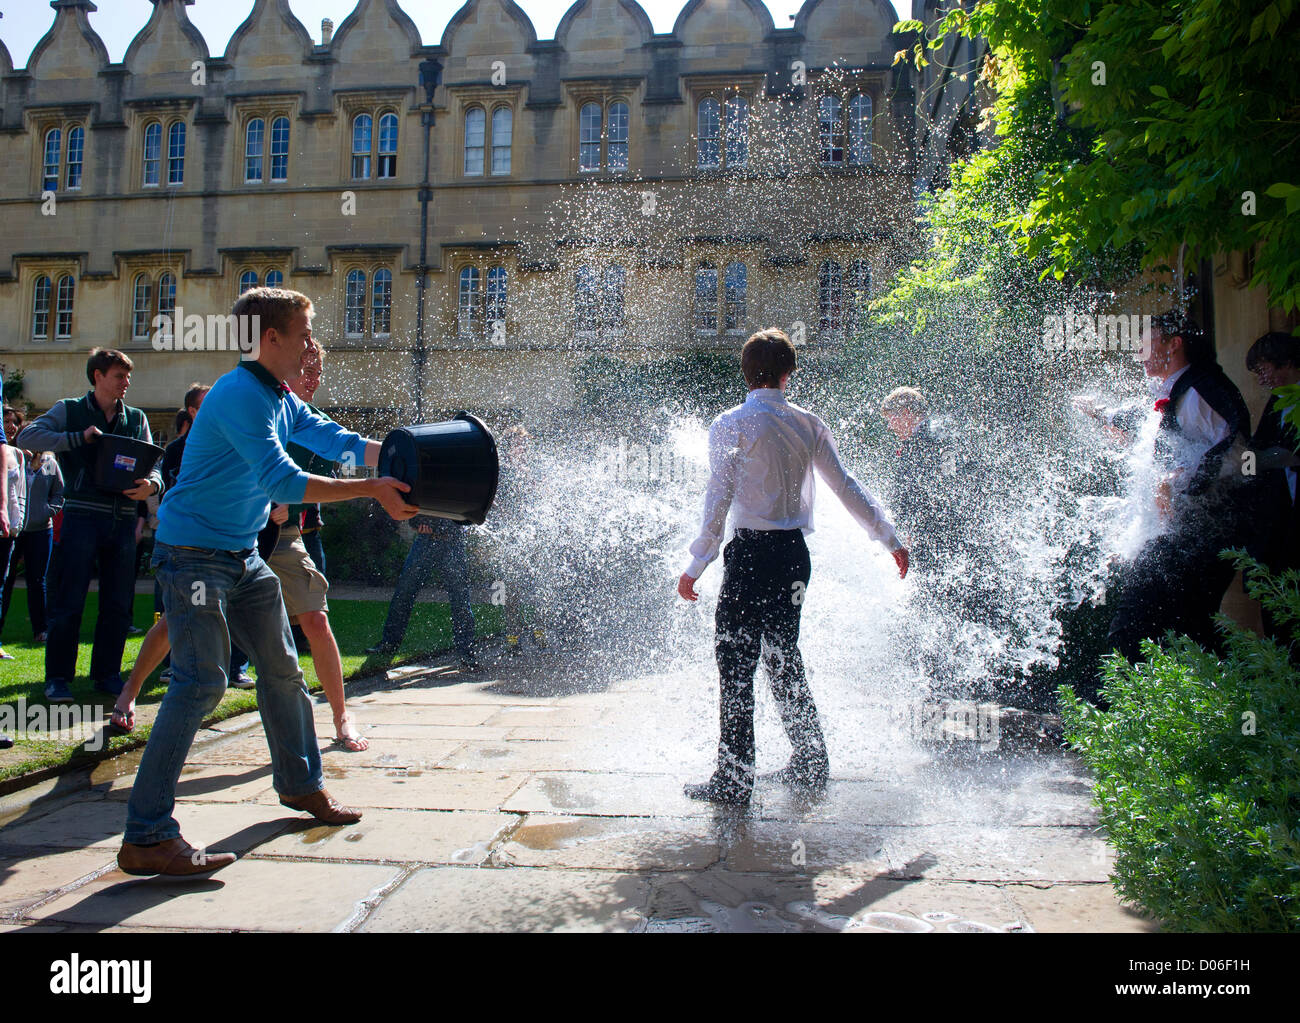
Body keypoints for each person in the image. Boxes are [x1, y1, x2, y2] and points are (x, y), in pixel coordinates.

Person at [118, 287, 418, 878]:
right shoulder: (237, 395)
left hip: (241, 554)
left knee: (282, 671)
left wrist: (411, 458)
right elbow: (281, 480)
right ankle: (146, 835)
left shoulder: (278, 395)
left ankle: (301, 785)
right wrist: (371, 489)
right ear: (271, 338)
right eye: (304, 334)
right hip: (192, 556)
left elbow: (337, 441)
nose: (311, 346)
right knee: (200, 682)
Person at [677, 328, 909, 804]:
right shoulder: (809, 424)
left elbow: (718, 497)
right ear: (788, 374)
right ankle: (810, 758)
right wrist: (888, 537)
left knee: (735, 660)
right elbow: (845, 486)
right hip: (792, 559)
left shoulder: (731, 423)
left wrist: (697, 562)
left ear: (745, 374)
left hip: (749, 554)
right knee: (783, 655)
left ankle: (734, 777)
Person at [1074, 312, 1251, 703]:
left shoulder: (1202, 387)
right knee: (1189, 628)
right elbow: (1146, 427)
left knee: (1137, 618)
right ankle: (1221, 711)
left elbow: (1242, 454)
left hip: (1201, 535)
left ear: (1174, 343)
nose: (1138, 353)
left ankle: (1107, 712)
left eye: (1146, 342)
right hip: (1180, 533)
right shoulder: (1175, 390)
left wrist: (1177, 479)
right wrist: (1100, 415)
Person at [17, 349, 162, 703]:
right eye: (119, 376)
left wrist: (152, 486)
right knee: (68, 601)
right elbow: (27, 437)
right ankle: (58, 679)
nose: (126, 382)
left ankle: (107, 675)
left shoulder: (137, 417)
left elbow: (153, 463)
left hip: (122, 520)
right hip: (81, 516)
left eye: (128, 376)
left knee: (118, 604)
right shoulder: (69, 409)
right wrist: (76, 438)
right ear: (98, 376)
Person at [264, 339, 368, 751]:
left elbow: (335, 473)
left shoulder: (316, 423)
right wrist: (266, 501)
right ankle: (129, 694)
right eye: (306, 371)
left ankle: (342, 718)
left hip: (288, 537)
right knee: (186, 619)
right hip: (235, 532)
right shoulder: (261, 409)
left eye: (318, 373)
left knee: (316, 620)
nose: (313, 380)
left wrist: (395, 469)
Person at [1243, 331, 1300, 643]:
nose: (1261, 379)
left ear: (1287, 362)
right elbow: (1253, 454)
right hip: (1277, 520)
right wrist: (1250, 462)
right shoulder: (1278, 401)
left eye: (1264, 369)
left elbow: (1288, 455)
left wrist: (1252, 461)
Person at [367, 515, 477, 669]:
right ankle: (389, 643)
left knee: (460, 600)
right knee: (404, 593)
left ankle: (466, 651)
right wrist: (417, 523)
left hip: (453, 543)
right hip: (425, 541)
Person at [1, 407, 62, 649]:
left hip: (40, 529)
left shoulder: (49, 463)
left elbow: (59, 493)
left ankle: (41, 629)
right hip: (15, 529)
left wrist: (47, 511)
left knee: (37, 581)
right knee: (6, 580)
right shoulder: (14, 459)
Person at [0, 410, 26, 661]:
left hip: (8, 529)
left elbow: (20, 494)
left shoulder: (17, 454)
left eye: (13, 422)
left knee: (1, 585)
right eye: (5, 421)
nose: (9, 426)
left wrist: (18, 523)